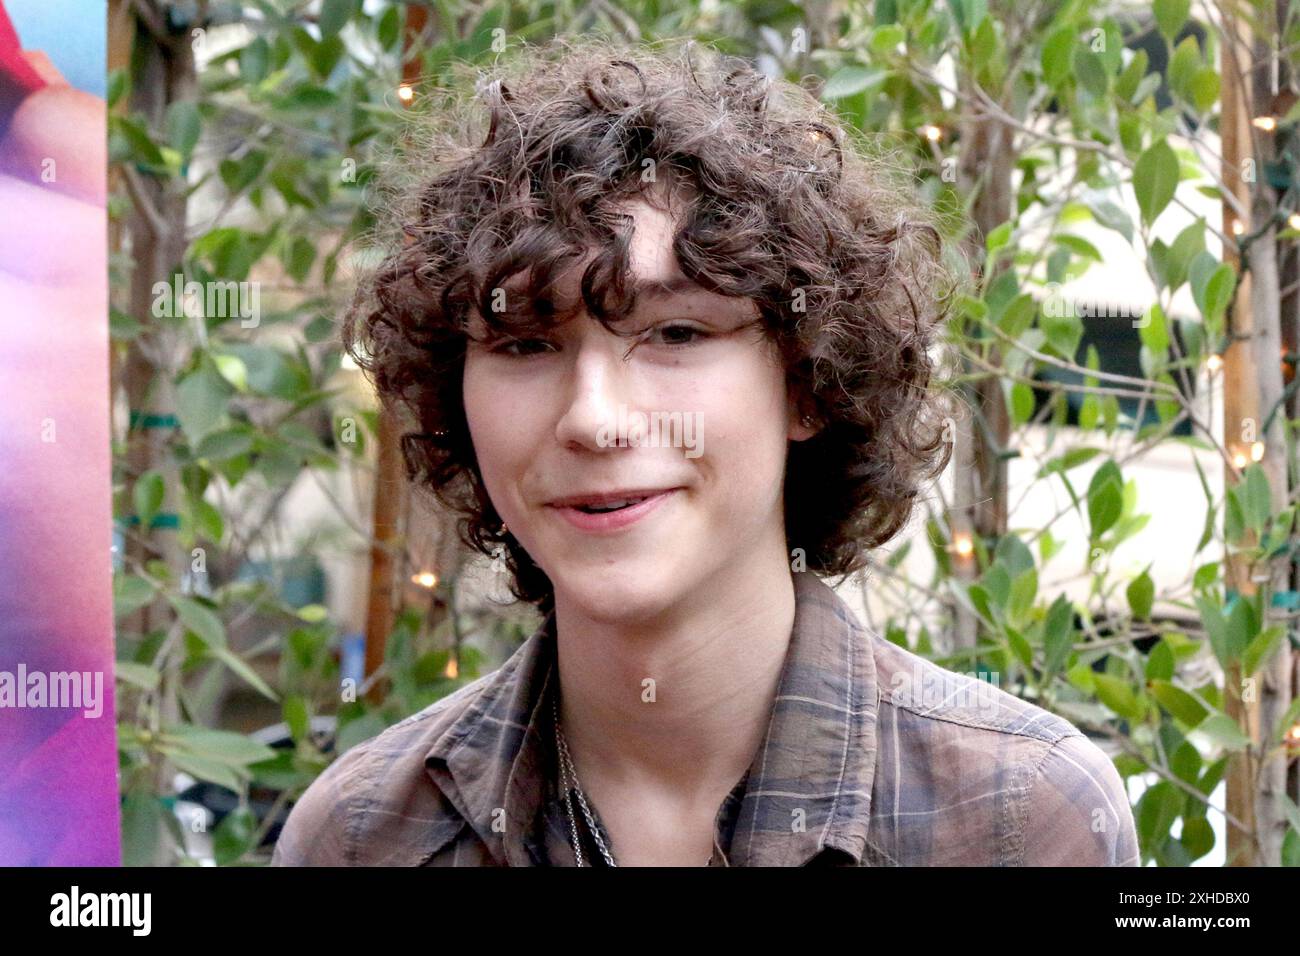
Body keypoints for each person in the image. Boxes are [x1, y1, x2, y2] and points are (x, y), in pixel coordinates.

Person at [272, 36, 1139, 867]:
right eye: (527, 345)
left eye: (677, 332)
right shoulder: (363, 838)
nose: (595, 419)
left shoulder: (1018, 819)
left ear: (806, 382)